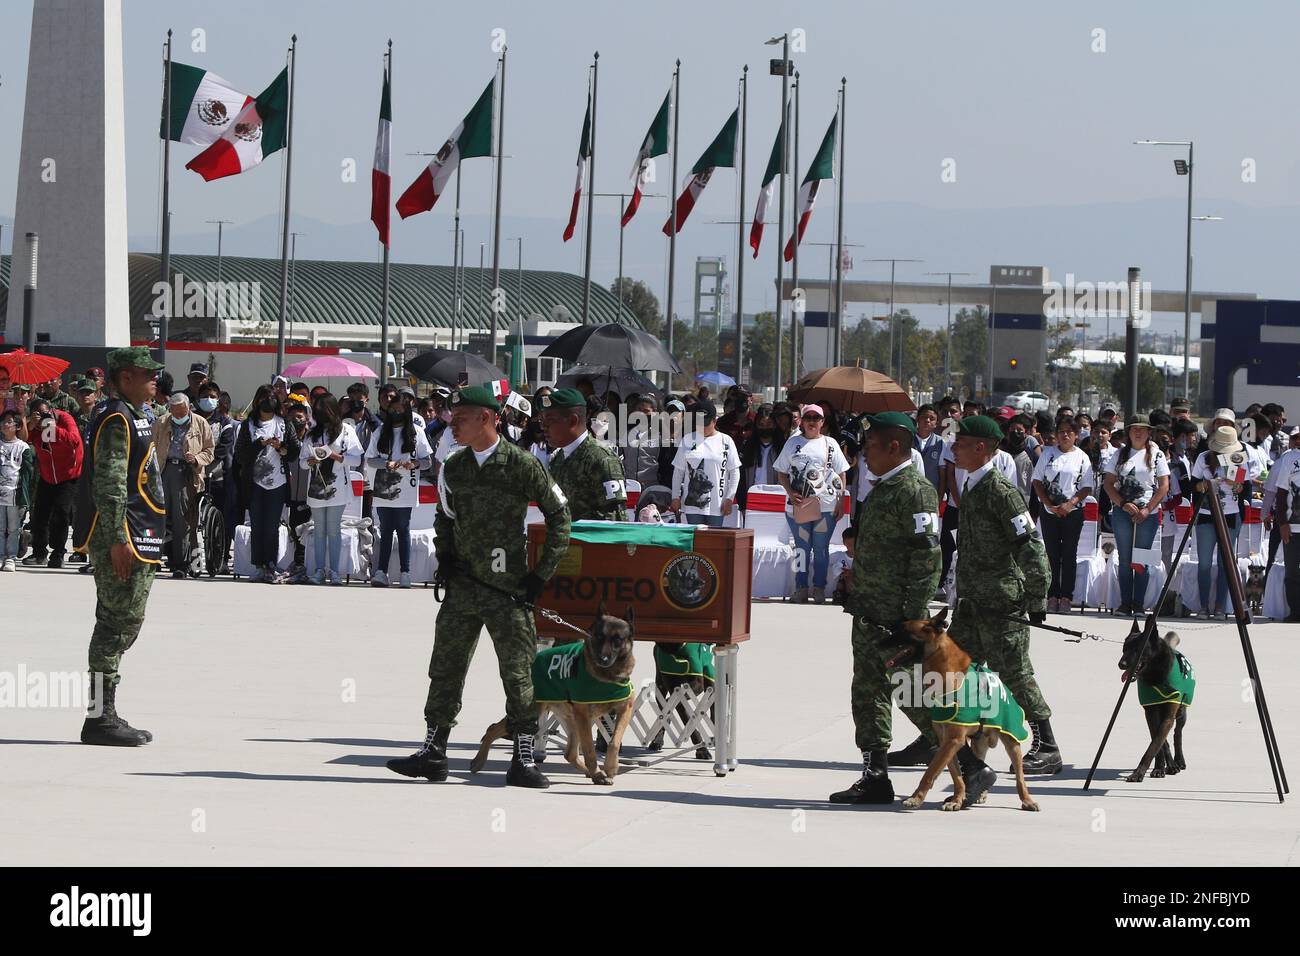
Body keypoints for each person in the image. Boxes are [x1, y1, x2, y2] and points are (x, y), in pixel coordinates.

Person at [386, 385, 571, 787]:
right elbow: (444, 517)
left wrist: (540, 576)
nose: (452, 423)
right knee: (445, 668)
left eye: (462, 417)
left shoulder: (521, 464)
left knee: (518, 673)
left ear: (486, 418)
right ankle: (434, 750)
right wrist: (445, 556)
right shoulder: (455, 467)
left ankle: (523, 758)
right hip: (464, 587)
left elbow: (561, 519)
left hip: (509, 591)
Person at [831, 411, 955, 803]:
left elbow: (927, 559)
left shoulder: (915, 490)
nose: (864, 454)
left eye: (870, 447)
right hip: (870, 612)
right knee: (869, 693)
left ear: (894, 447)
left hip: (895, 619)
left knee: (910, 692)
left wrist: (914, 619)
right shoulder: (883, 488)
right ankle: (875, 775)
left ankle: (968, 762)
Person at [939, 415, 1059, 774]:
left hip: (1001, 603)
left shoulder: (1001, 492)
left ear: (980, 448)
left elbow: (1031, 547)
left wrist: (1037, 600)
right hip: (972, 604)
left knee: (1016, 673)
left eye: (960, 443)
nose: (954, 448)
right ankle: (941, 737)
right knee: (950, 668)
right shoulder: (973, 486)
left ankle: (1047, 745)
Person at [70, 347, 167, 746]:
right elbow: (109, 486)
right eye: (147, 374)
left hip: (138, 532)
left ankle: (105, 712)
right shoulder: (116, 417)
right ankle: (99, 718)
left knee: (125, 622)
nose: (154, 379)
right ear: (125, 377)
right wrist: (117, 540)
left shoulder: (133, 414)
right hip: (123, 536)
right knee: (114, 625)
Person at [774, 404, 850, 604]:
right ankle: (800, 588)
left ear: (822, 422)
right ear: (802, 420)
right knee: (801, 548)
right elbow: (781, 472)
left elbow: (842, 473)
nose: (812, 422)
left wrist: (841, 500)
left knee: (821, 548)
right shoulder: (792, 443)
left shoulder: (830, 443)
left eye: (817, 418)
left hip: (826, 506)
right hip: (799, 507)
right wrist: (790, 493)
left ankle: (819, 587)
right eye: (808, 417)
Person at [1190, 425, 1260, 619]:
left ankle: (1220, 606)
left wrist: (1235, 485)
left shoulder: (1238, 457)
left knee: (1225, 563)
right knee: (1204, 563)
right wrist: (1204, 485)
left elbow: (1245, 489)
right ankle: (1203, 606)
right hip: (1206, 513)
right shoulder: (1204, 458)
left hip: (1230, 514)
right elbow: (1192, 485)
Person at [1103, 415, 1170, 616]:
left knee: (1142, 559)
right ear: (1129, 432)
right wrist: (1122, 503)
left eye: (1143, 429)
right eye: (1134, 429)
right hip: (1123, 511)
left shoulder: (1157, 455)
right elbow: (1108, 483)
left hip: (1148, 513)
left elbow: (1164, 485)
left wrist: (1148, 508)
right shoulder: (1119, 454)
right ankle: (1125, 602)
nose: (1138, 432)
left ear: (1149, 432)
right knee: (1124, 559)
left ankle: (1139, 603)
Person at [234, 386, 299, 583]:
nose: (267, 400)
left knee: (271, 526)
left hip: (277, 483)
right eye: (264, 397)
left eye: (271, 397)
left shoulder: (284, 424)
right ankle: (258, 565)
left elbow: (294, 451)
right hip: (254, 483)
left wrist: (282, 448)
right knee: (257, 526)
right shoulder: (248, 426)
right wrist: (258, 445)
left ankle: (271, 564)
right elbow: (240, 455)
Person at [367, 396, 432, 587]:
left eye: (400, 409)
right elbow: (370, 459)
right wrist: (387, 464)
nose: (396, 412)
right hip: (383, 486)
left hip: (406, 488)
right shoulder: (380, 431)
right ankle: (381, 571)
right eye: (392, 409)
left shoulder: (416, 432)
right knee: (385, 529)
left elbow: (427, 461)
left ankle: (405, 572)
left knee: (403, 529)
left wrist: (414, 464)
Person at [1031, 417, 1094, 613]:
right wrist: (1049, 504)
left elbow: (1087, 487)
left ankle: (1066, 596)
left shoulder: (1082, 457)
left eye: (1069, 431)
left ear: (1076, 435)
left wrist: (1070, 504)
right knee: (1051, 554)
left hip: (1073, 512)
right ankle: (1052, 595)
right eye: (1061, 431)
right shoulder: (1047, 454)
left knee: (1068, 554)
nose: (1064, 435)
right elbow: (1037, 481)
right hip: (1049, 512)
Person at [300, 393, 364, 585]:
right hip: (317, 487)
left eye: (324, 409)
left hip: (339, 487)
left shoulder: (346, 430)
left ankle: (334, 571)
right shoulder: (312, 433)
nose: (321, 414)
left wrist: (335, 456)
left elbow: (357, 459)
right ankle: (319, 570)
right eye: (318, 410)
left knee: (334, 529)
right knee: (319, 529)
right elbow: (303, 463)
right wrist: (311, 460)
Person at [152, 393, 214, 579]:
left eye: (182, 412)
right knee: (157, 517)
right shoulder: (161, 422)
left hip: (187, 474)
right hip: (163, 471)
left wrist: (196, 459)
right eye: (175, 413)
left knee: (182, 521)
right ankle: (153, 560)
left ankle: (181, 563)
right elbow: (151, 447)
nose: (179, 416)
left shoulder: (201, 423)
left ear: (189, 409)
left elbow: (210, 451)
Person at [540, 388, 627, 521]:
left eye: (550, 420)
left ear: (572, 421)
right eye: (542, 421)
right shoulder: (559, 458)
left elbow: (616, 519)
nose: (543, 427)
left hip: (591, 540)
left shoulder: (601, 459)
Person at [23, 396, 84, 569]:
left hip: (68, 474)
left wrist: (54, 428)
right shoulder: (35, 426)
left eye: (45, 413)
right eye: (39, 414)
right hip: (47, 474)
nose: (43, 416)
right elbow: (25, 440)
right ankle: (39, 553)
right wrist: (32, 425)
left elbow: (75, 440)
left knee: (62, 514)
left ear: (51, 410)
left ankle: (58, 553)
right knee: (40, 515)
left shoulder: (64, 418)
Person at [671, 402, 740, 529]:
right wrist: (675, 497)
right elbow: (678, 471)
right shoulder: (687, 439)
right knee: (695, 540)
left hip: (717, 504)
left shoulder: (726, 441)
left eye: (706, 423)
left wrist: (730, 498)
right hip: (692, 505)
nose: (702, 427)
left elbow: (735, 472)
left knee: (714, 540)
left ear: (714, 421)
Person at [0, 409, 36, 571]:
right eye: (3, 422)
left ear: (17, 426)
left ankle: (11, 557)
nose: (5, 425)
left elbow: (28, 473)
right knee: (1, 527)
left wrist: (26, 496)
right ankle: (1, 554)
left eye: (9, 422)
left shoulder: (23, 448)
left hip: (15, 494)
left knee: (13, 528)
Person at [738, 404, 785, 508]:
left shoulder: (782, 447)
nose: (765, 427)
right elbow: (741, 477)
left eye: (769, 424)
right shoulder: (748, 447)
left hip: (777, 498)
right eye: (761, 424)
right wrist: (742, 504)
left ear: (775, 424)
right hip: (752, 497)